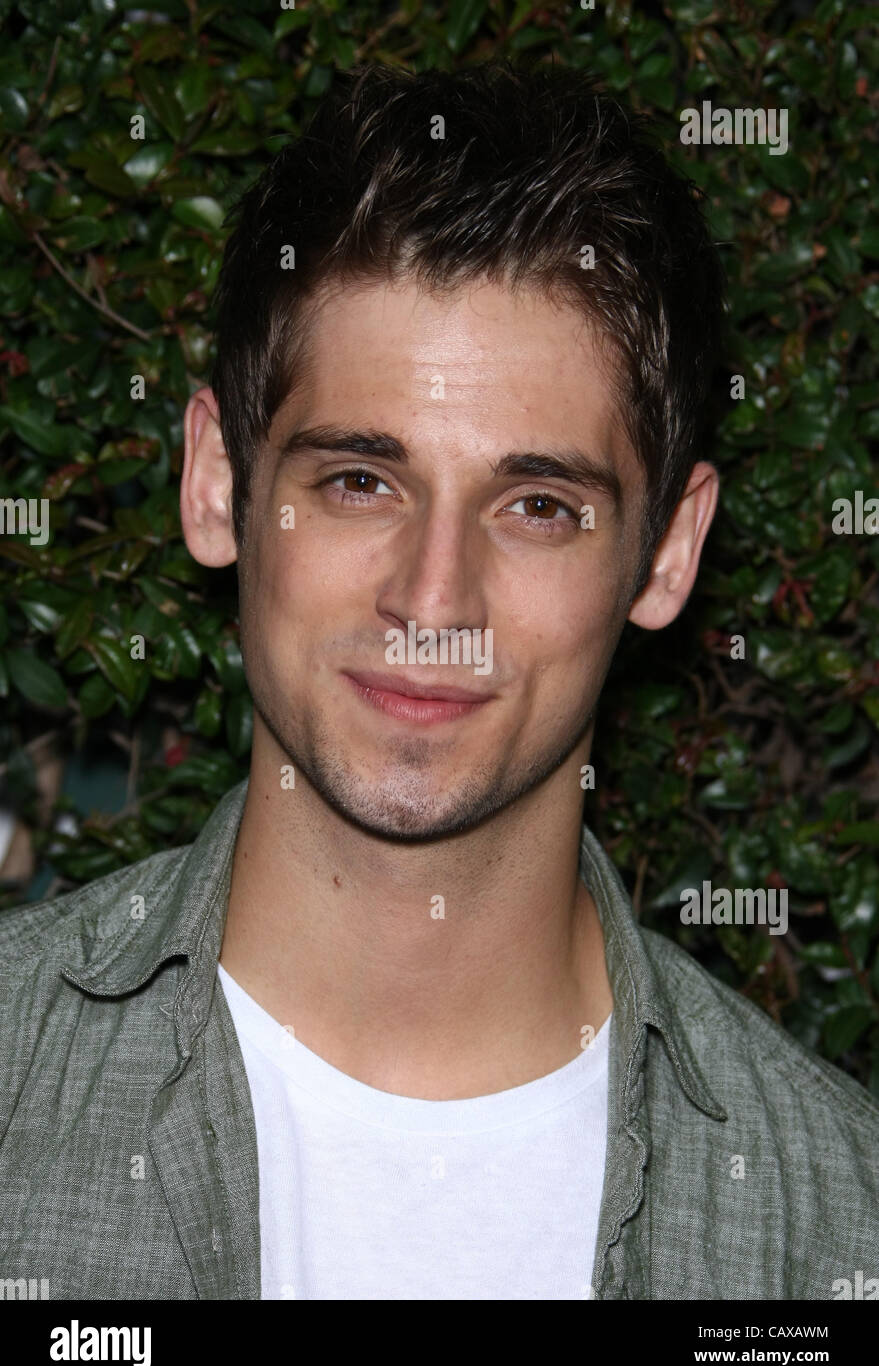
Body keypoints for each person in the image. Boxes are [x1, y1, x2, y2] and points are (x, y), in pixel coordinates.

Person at [1, 63, 876, 1302]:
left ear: (669, 551)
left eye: (537, 505)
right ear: (217, 485)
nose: (434, 598)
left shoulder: (835, 1233)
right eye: (361, 480)